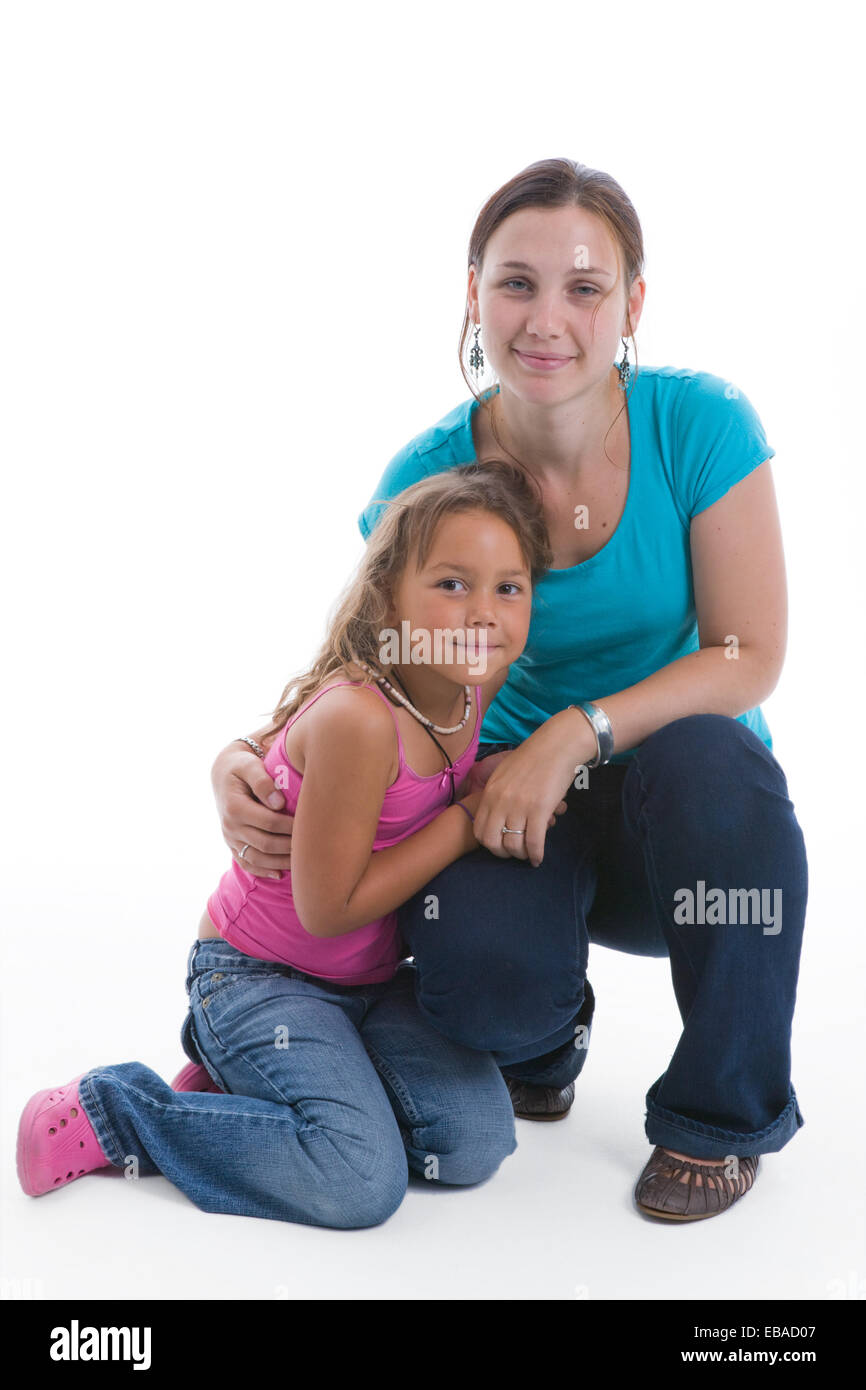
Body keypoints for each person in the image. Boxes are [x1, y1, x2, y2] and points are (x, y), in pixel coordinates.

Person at [209, 157, 809, 1222]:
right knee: (481, 981)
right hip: (504, 811)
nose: (545, 317)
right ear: (472, 294)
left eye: (583, 287)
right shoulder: (425, 475)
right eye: (514, 282)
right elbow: (365, 658)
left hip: (688, 815)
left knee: (712, 760)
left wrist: (573, 734)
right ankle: (544, 1032)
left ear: (630, 304)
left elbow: (746, 652)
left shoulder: (699, 425)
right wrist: (240, 758)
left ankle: (717, 1118)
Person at [17, 463, 569, 1228]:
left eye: (508, 588)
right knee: (358, 1181)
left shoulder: (478, 680)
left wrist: (501, 770)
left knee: (475, 1142)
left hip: (373, 986)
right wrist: (465, 819)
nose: (483, 614)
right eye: (451, 584)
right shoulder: (360, 719)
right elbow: (329, 908)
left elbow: (440, 778)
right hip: (258, 976)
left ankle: (259, 1095)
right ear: (389, 600)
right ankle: (113, 1112)